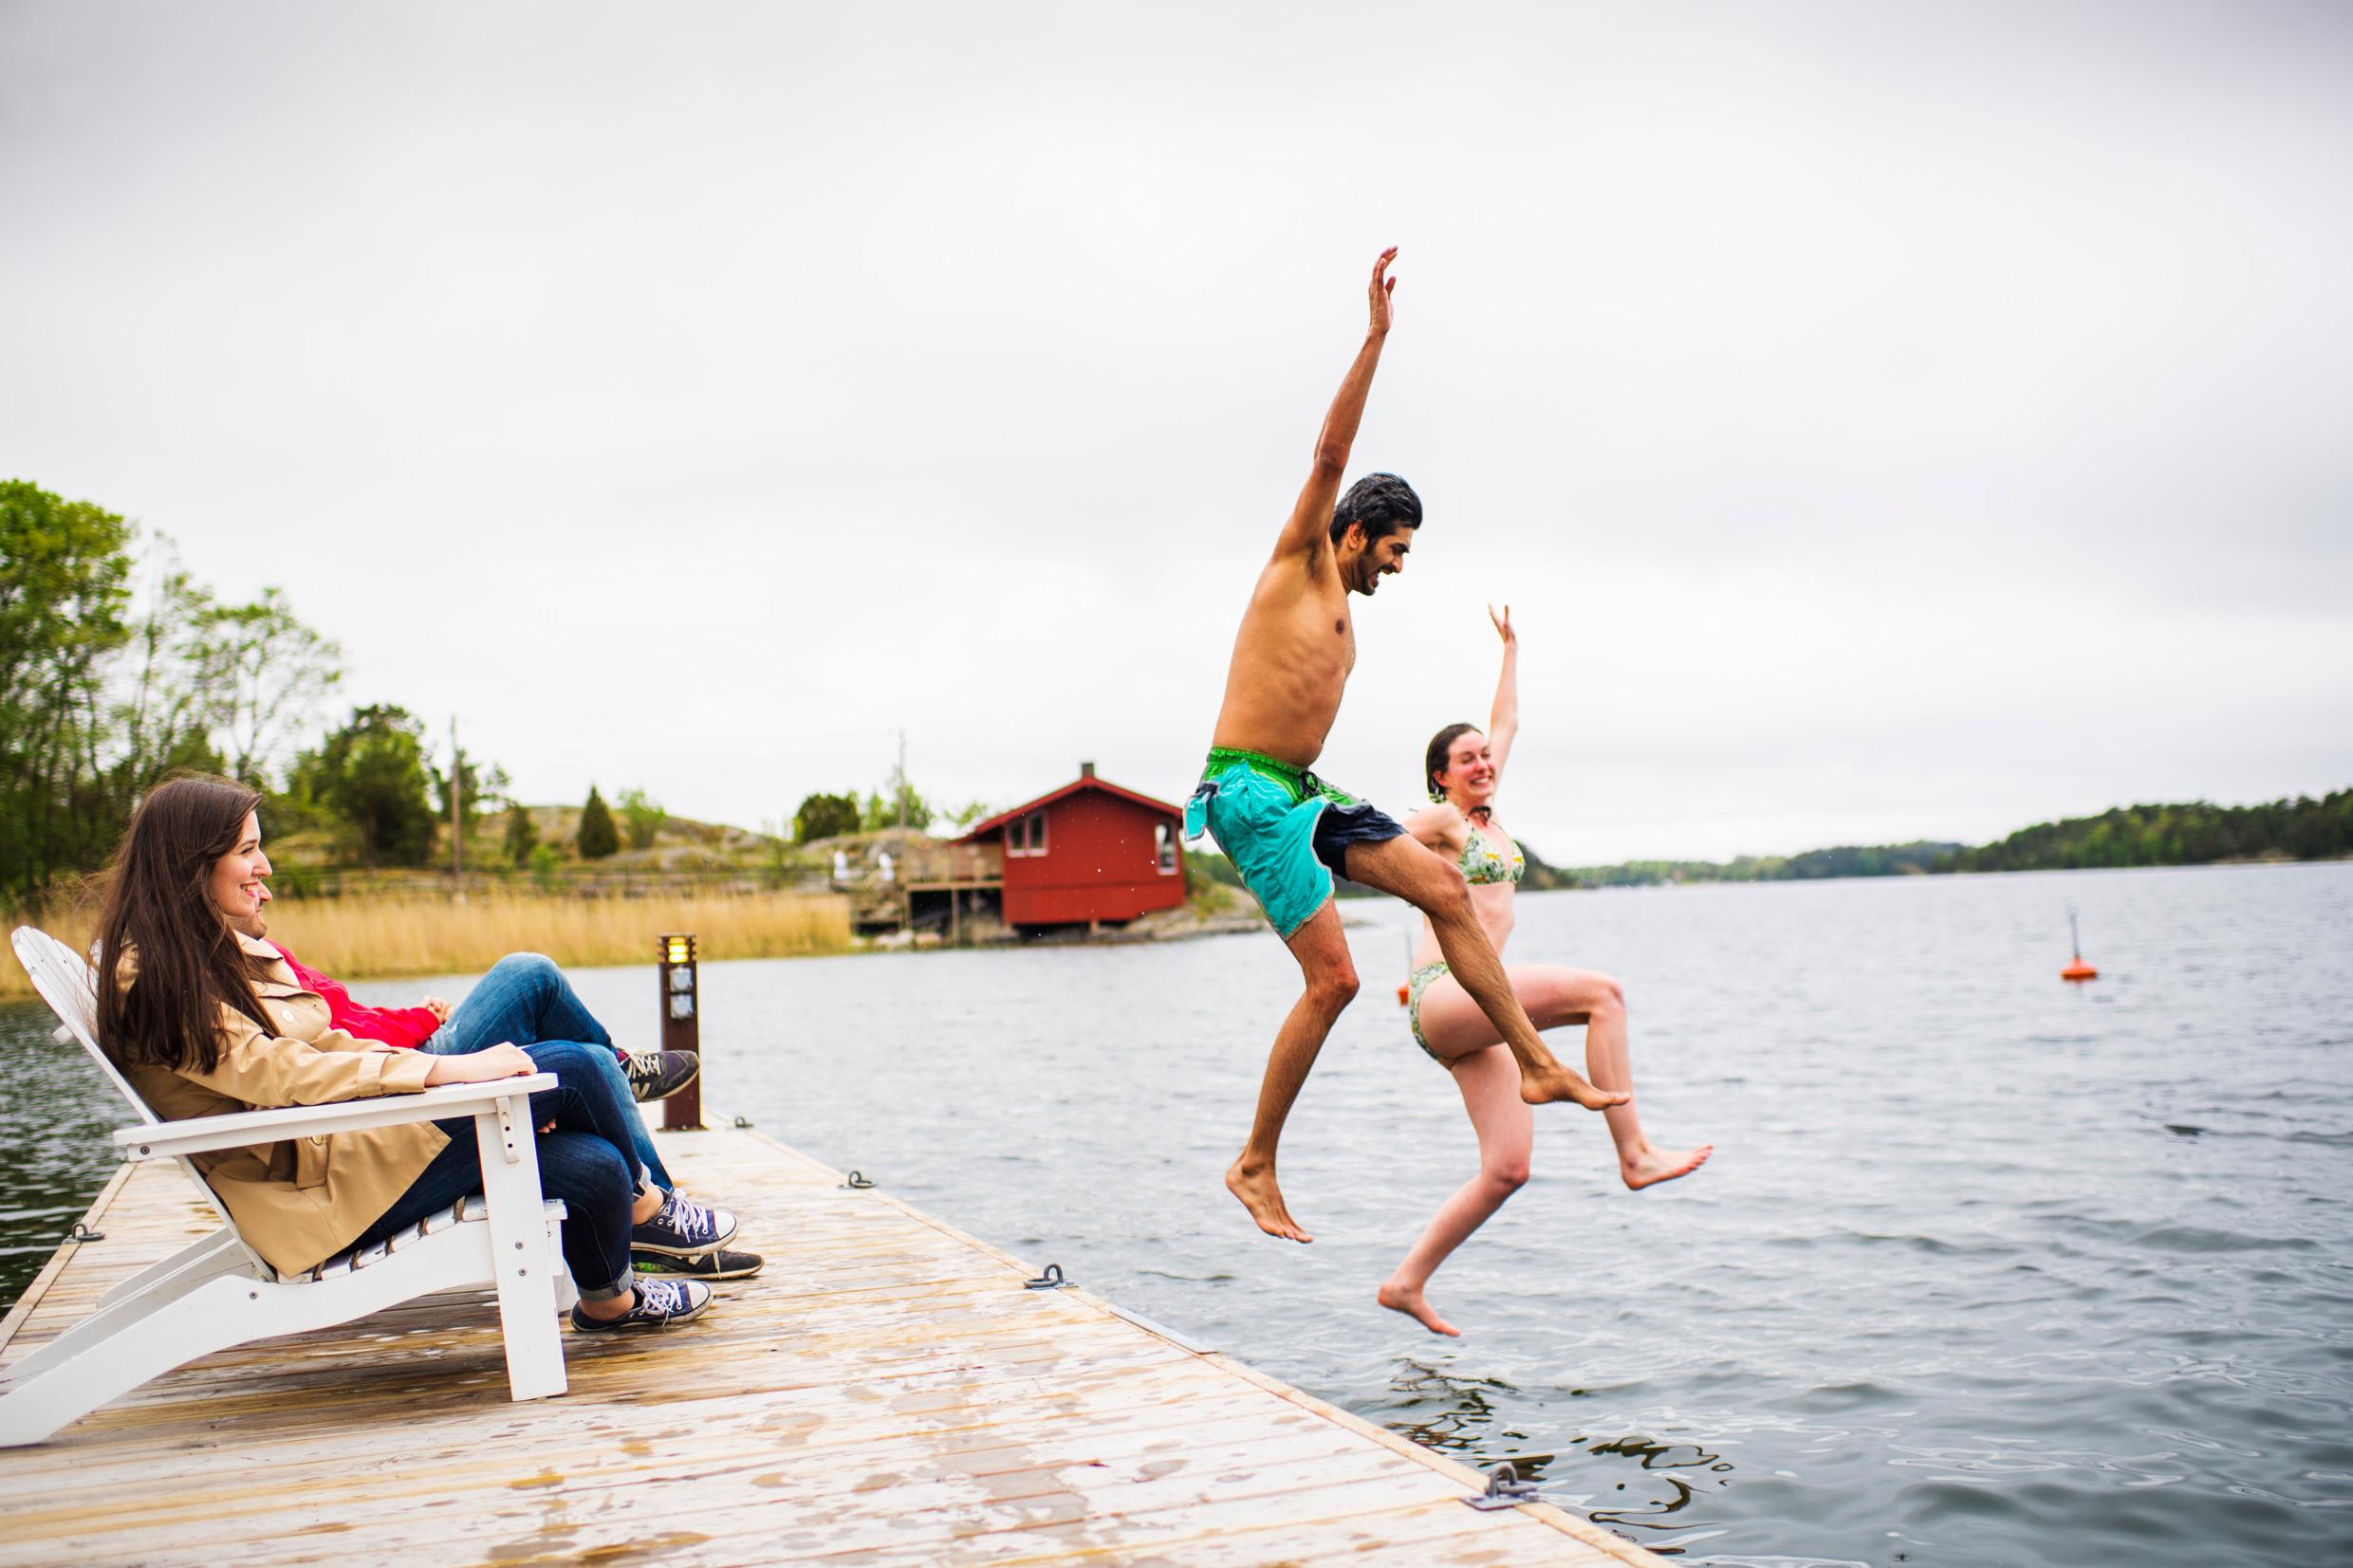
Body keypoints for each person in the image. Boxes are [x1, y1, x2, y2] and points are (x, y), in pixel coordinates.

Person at [1189, 249, 1627, 1246]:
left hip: (1298, 792)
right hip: (1247, 797)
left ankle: (1533, 1061)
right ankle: (1253, 1164)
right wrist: (1376, 338)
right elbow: (1327, 457)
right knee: (1335, 981)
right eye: (1393, 549)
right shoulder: (1300, 563)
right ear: (1353, 533)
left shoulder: (1343, 609)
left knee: (1444, 891)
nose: (1397, 566)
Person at [93, 772, 733, 1331]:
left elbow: (326, 1041)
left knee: (592, 1164)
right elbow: (283, 1071)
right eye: (248, 849)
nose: (264, 867)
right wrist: (445, 1070)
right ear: (191, 863)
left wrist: (435, 1075)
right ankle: (650, 1209)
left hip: (349, 1149)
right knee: (572, 1066)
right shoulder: (154, 979)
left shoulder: (206, 955)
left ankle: (610, 1306)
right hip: (323, 1185)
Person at [1378, 608, 1712, 1336]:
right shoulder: (1441, 822)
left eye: (1483, 757)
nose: (1482, 762)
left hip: (1477, 1009)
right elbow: (1377, 840)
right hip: (1449, 994)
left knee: (1508, 1169)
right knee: (1605, 995)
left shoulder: (1490, 814)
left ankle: (1407, 1281)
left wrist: (1511, 650)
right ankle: (1636, 1153)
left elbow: (1508, 724)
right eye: (1466, 759)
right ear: (1441, 777)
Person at [235, 887, 763, 1281]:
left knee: (584, 1061)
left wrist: (414, 1021)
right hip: (396, 1090)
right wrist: (423, 1021)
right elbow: (329, 1048)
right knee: (535, 984)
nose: (267, 884)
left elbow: (345, 1021)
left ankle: (649, 1209)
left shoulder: (257, 955)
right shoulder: (221, 975)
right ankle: (651, 1200)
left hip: (394, 1075)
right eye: (250, 854)